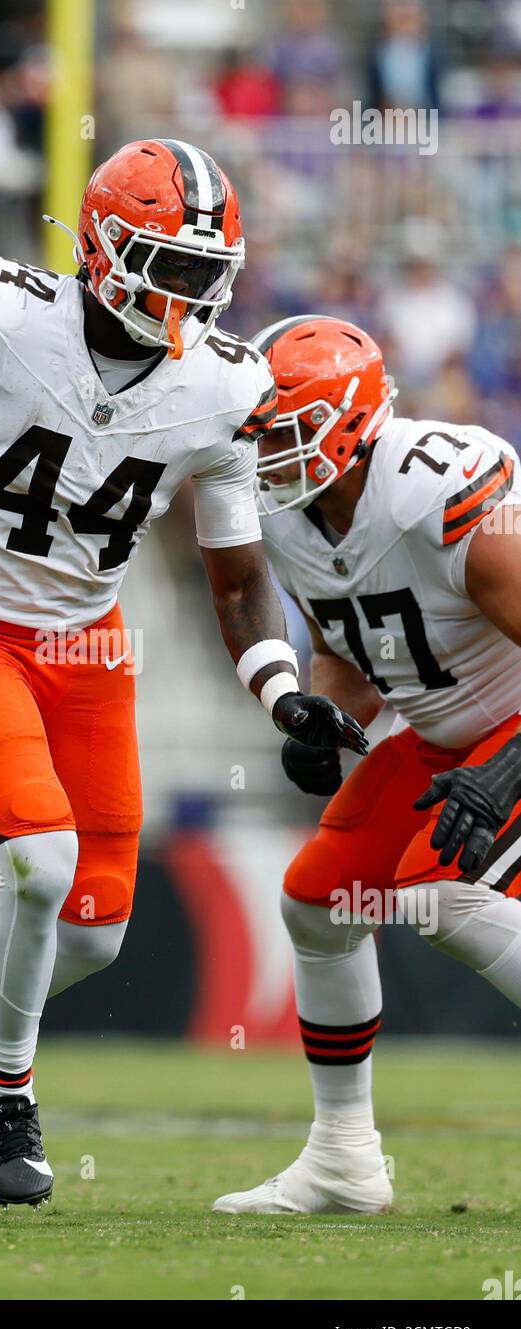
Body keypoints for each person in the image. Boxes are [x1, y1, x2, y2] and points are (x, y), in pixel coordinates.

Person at [0, 142, 365, 1209]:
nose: (192, 296)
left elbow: (235, 577)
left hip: (87, 648)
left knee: (93, 926)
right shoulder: (0, 320)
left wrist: (278, 692)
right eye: (169, 266)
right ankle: (10, 1093)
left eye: (205, 274)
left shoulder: (222, 387)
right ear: (108, 249)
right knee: (37, 861)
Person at [214, 315, 521, 1214]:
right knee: (316, 902)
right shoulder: (291, 517)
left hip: (509, 727)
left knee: (445, 897)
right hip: (437, 732)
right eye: (258, 429)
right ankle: (343, 1160)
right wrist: (323, 721)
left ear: (348, 421)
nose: (264, 450)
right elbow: (354, 653)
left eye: (284, 429)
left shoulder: (440, 489)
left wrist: (504, 772)